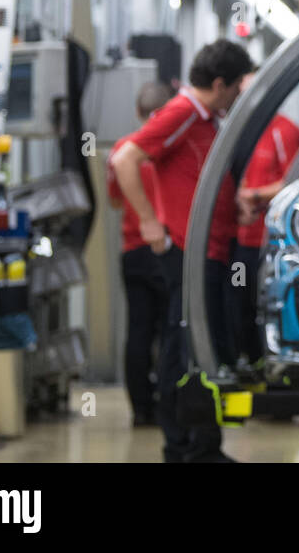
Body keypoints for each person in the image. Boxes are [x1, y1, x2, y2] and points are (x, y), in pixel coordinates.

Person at [110, 38, 255, 463]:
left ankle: (203, 445)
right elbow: (126, 159)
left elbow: (195, 175)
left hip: (210, 249)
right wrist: (151, 222)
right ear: (218, 83)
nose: (236, 97)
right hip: (189, 254)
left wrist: (233, 204)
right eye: (235, 88)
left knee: (199, 347)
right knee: (182, 348)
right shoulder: (184, 111)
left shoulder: (204, 118)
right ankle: (183, 448)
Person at [105, 81, 174, 427]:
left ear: (137, 111)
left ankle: (140, 409)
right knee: (168, 329)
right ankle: (166, 402)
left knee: (138, 329)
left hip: (132, 250)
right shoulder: (168, 149)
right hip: (165, 248)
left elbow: (115, 200)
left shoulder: (120, 151)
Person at [231, 71, 299, 367]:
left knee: (269, 303)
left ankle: (273, 365)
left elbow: (295, 180)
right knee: (239, 303)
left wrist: (253, 194)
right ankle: (248, 362)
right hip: (241, 239)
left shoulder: (284, 131)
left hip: (273, 241)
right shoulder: (238, 133)